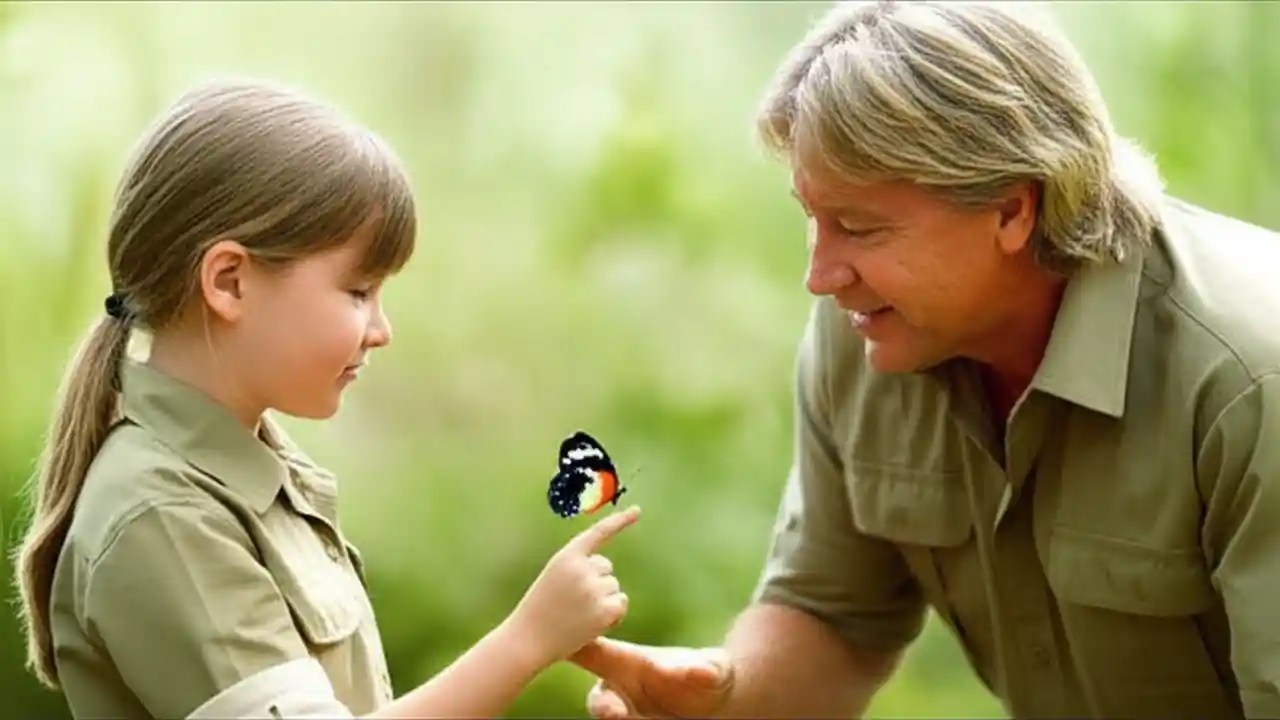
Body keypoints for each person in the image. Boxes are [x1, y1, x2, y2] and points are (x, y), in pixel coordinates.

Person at [568, 1, 1280, 718]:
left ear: (1012, 210)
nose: (820, 276)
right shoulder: (871, 333)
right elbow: (834, 615)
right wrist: (718, 699)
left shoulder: (1249, 380)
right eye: (813, 218)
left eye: (859, 227)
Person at [12, 78, 639, 720]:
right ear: (229, 282)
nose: (381, 329)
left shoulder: (252, 478)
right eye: (359, 291)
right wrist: (527, 642)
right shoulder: (162, 515)